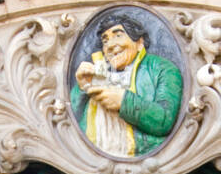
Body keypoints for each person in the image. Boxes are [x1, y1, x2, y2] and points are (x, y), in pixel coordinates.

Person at [71, 9, 183, 157]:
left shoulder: (162, 69)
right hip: (91, 161)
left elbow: (164, 120)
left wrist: (123, 101)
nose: (110, 45)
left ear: (139, 43)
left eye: (118, 35)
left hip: (146, 161)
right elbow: (70, 123)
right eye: (105, 41)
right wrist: (82, 88)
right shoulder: (98, 74)